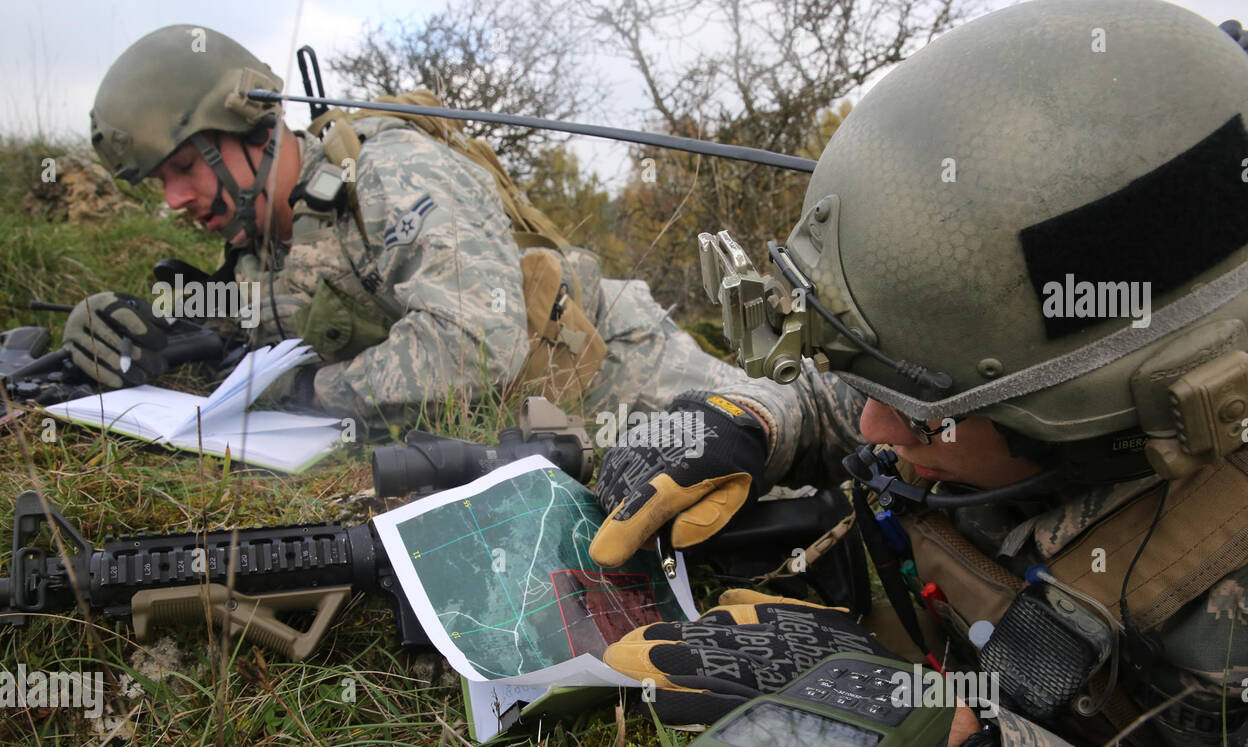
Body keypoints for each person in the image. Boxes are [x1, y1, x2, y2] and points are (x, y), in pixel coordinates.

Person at [590, 0, 1248, 747]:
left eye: (922, 412)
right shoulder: (1020, 389)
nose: (876, 426)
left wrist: (953, 743)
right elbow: (902, 384)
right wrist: (757, 418)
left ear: (1096, 413)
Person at [64, 23, 865, 480]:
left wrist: (310, 393)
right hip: (537, 439)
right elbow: (269, 330)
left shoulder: (387, 172)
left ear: (243, 127)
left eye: (179, 169)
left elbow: (471, 346)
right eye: (156, 184)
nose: (173, 201)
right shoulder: (265, 245)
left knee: (825, 440)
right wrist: (152, 326)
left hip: (618, 380)